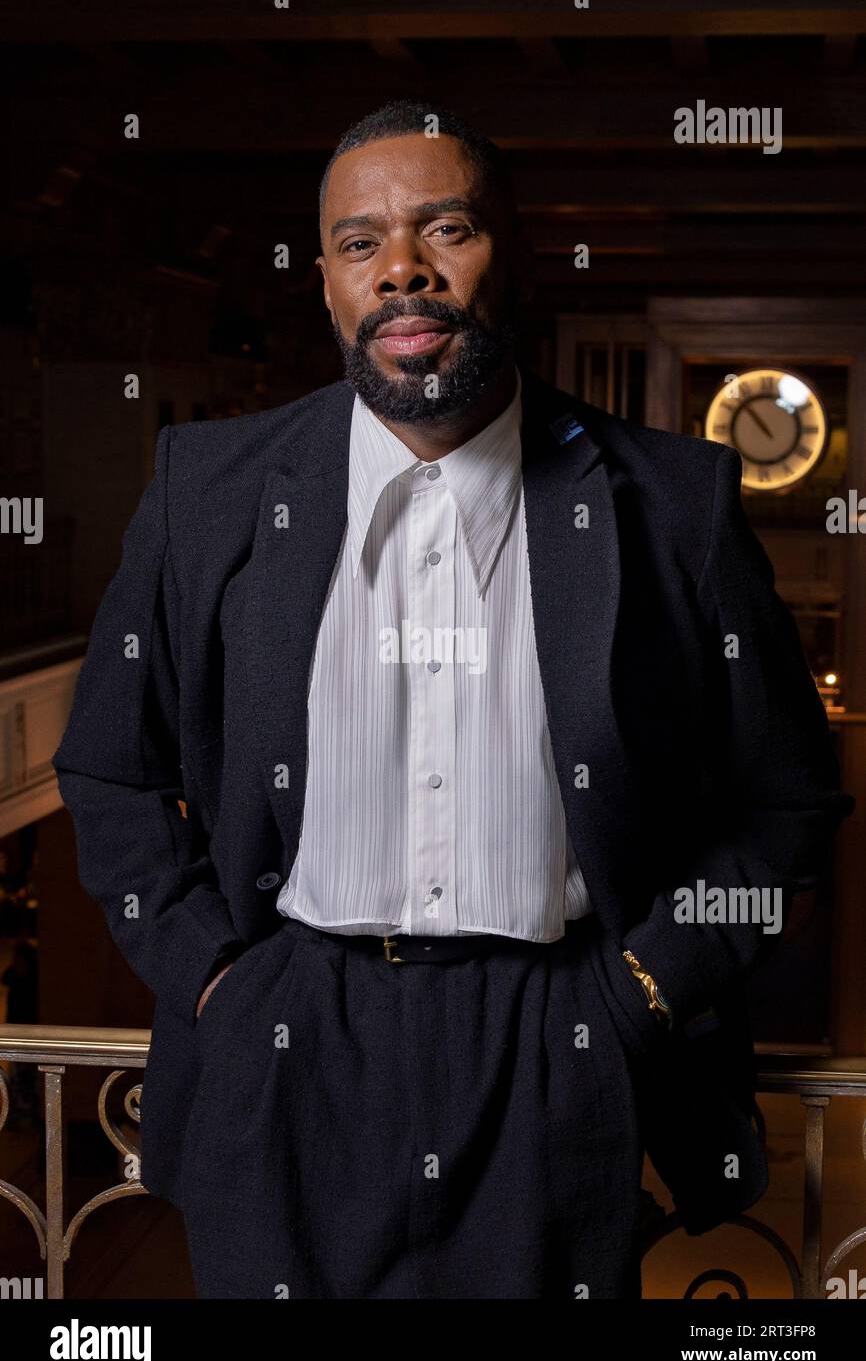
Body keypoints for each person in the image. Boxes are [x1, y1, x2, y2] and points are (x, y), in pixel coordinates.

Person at [52, 101, 855, 1299]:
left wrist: (640, 989)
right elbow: (112, 767)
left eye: (446, 229)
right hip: (286, 1027)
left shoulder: (671, 502)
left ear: (507, 253)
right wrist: (215, 974)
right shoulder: (207, 494)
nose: (404, 271)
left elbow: (787, 803)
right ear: (325, 280)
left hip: (560, 1035)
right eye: (360, 242)